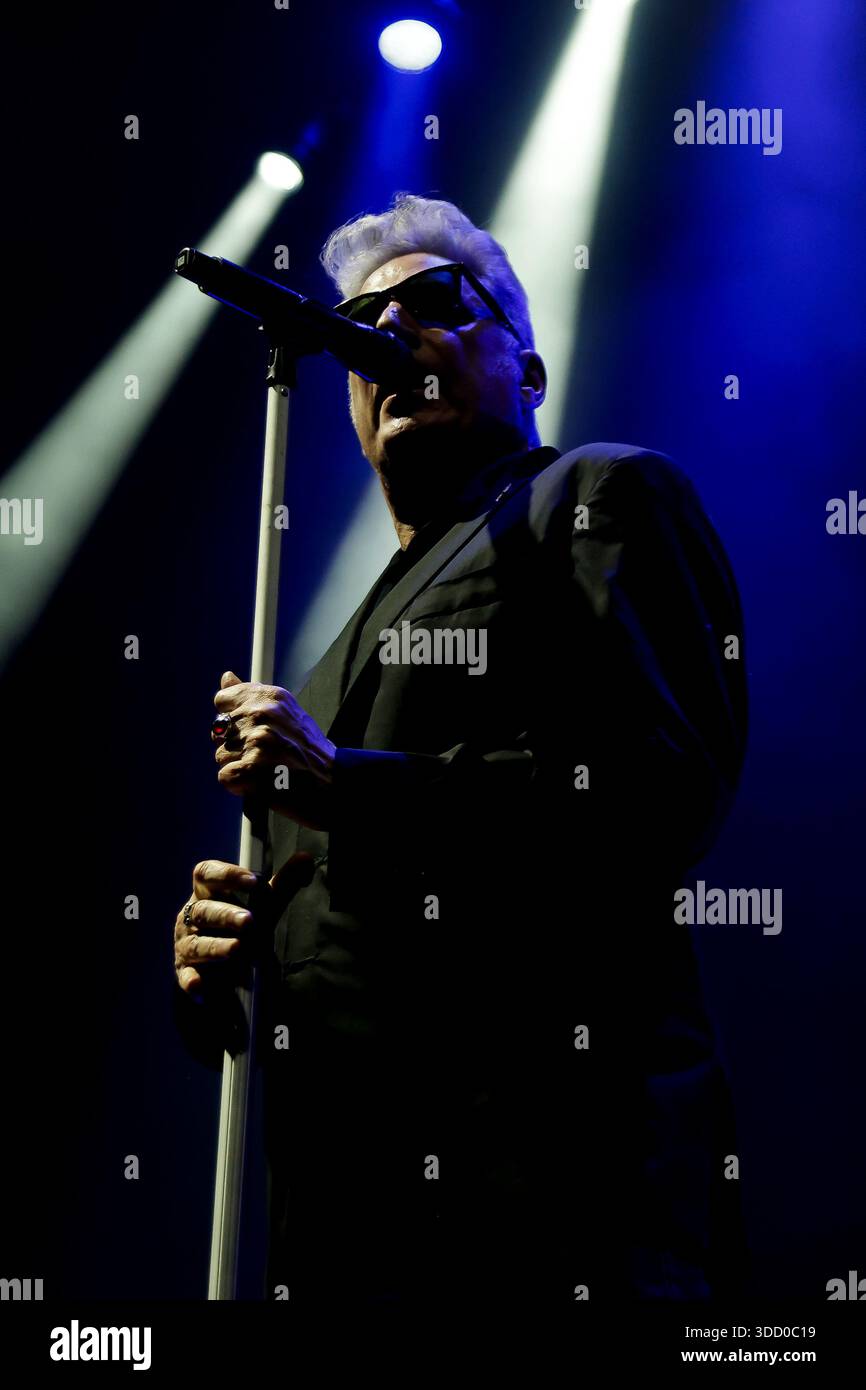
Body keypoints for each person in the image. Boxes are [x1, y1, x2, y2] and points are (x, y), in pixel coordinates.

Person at [173, 193, 748, 1306]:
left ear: (525, 372)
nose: (390, 332)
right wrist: (221, 972)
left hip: (550, 1206)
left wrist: (350, 788)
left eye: (435, 301)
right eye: (362, 320)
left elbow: (655, 793)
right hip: (347, 1233)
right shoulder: (329, 662)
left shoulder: (594, 497)